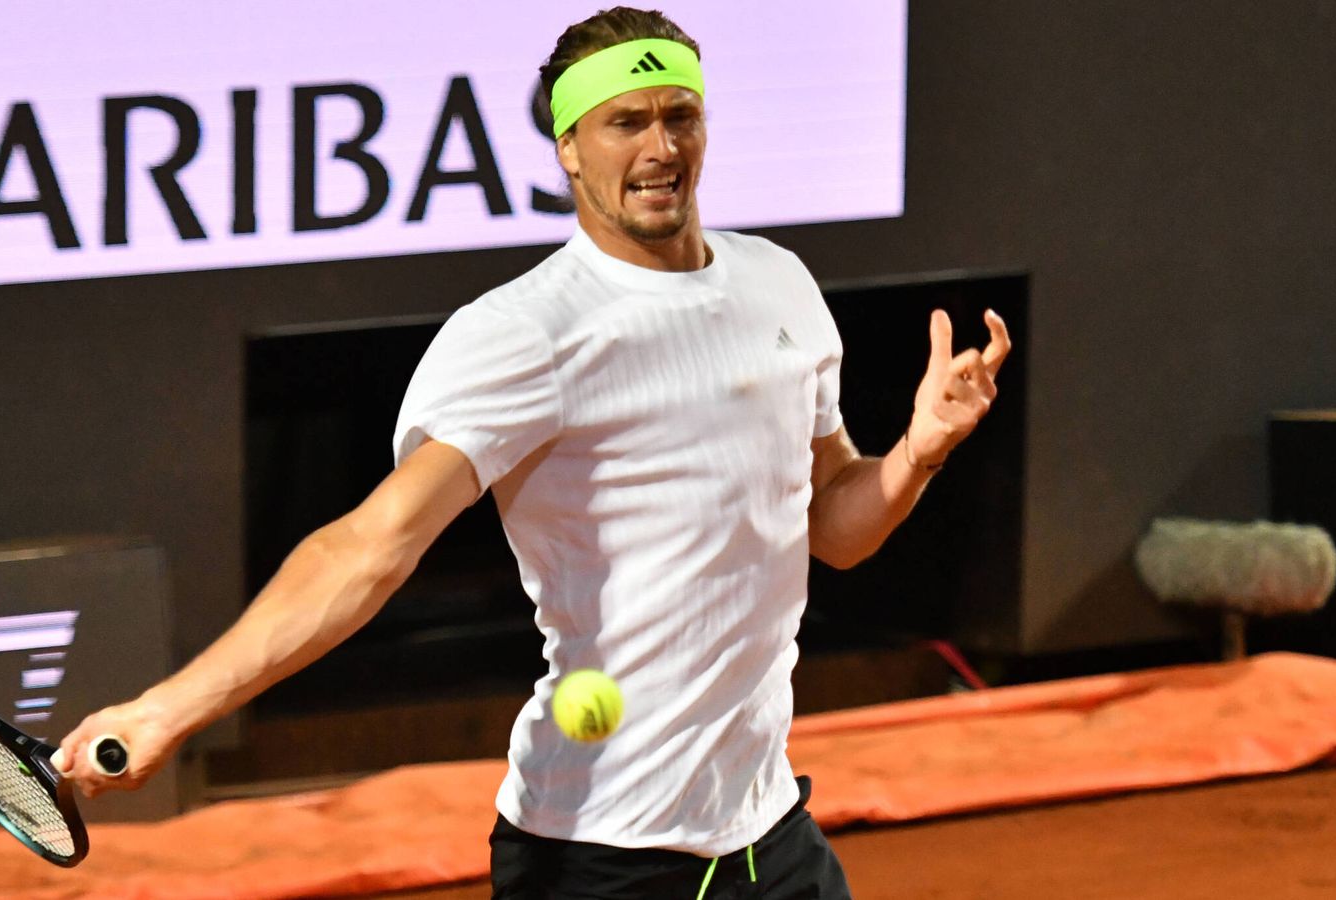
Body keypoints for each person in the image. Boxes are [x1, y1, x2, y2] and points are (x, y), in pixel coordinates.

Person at [53, 7, 1010, 898]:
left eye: (681, 115)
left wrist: (915, 456)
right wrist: (168, 710)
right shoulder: (526, 333)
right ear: (567, 148)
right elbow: (368, 546)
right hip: (596, 855)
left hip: (768, 838)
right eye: (623, 121)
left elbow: (835, 529)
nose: (660, 147)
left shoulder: (779, 283)